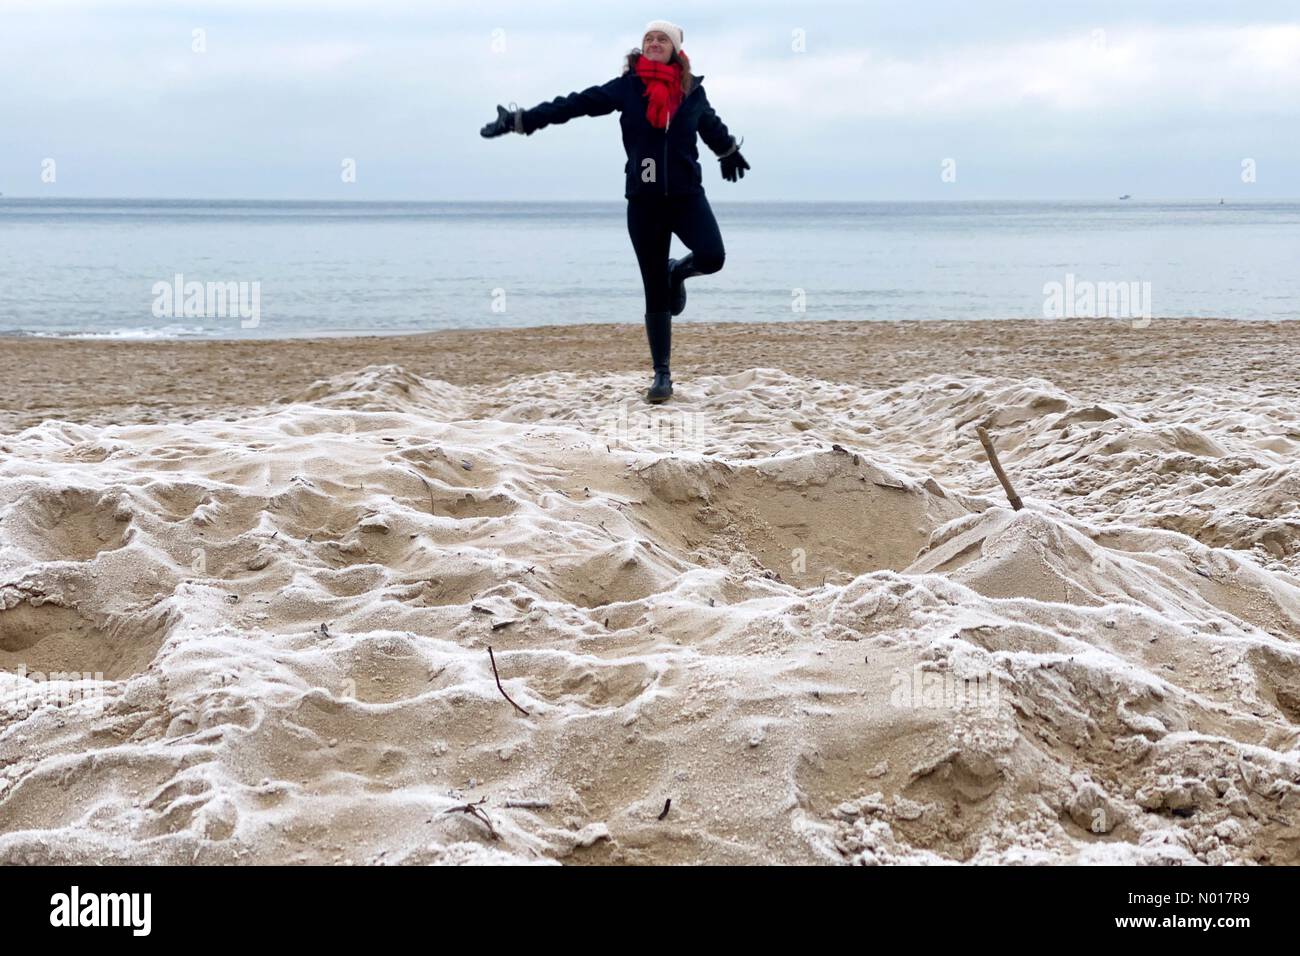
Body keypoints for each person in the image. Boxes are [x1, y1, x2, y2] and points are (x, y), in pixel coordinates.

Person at [480, 19, 750, 403]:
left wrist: (728, 151)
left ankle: (680, 272)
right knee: (653, 287)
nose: (655, 42)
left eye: (662, 39)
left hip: (687, 196)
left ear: (675, 48)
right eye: (649, 39)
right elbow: (575, 104)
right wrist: (521, 120)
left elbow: (711, 126)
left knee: (713, 256)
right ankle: (662, 374)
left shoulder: (691, 91)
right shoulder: (628, 88)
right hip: (644, 200)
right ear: (642, 47)